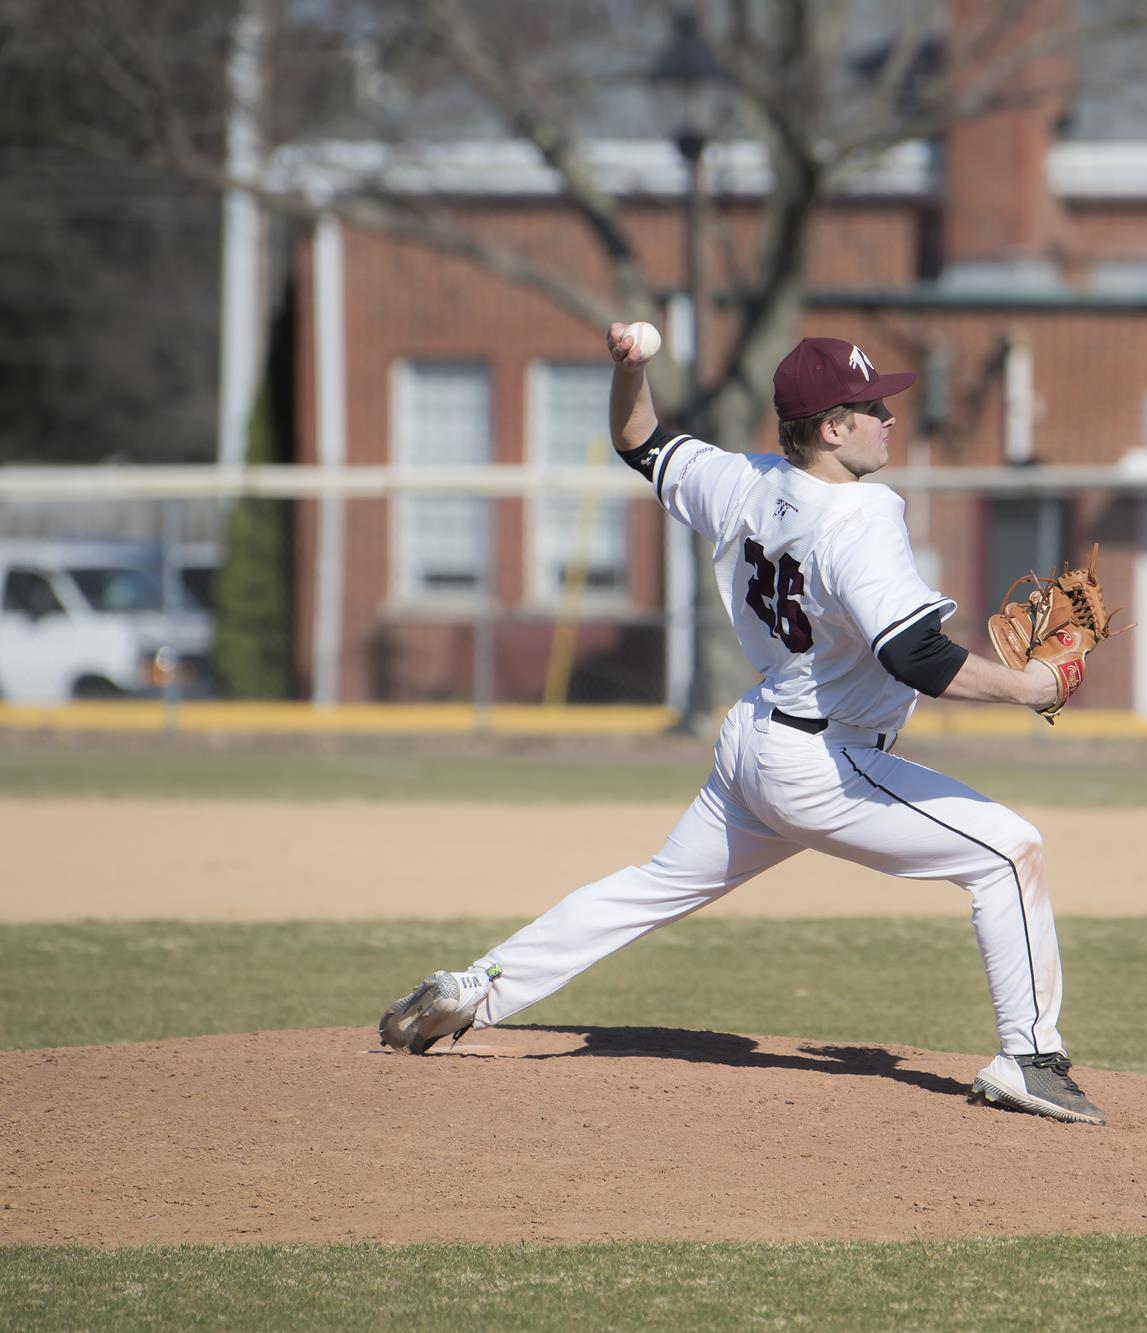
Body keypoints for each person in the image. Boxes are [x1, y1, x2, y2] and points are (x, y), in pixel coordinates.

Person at [378, 328, 1107, 1126]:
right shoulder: (861, 514)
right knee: (1011, 851)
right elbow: (914, 656)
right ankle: (1030, 1058)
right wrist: (1031, 685)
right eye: (873, 407)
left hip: (756, 741)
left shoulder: (745, 481)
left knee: (652, 885)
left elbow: (639, 439)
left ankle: (475, 988)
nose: (890, 417)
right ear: (832, 427)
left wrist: (632, 370)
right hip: (826, 764)